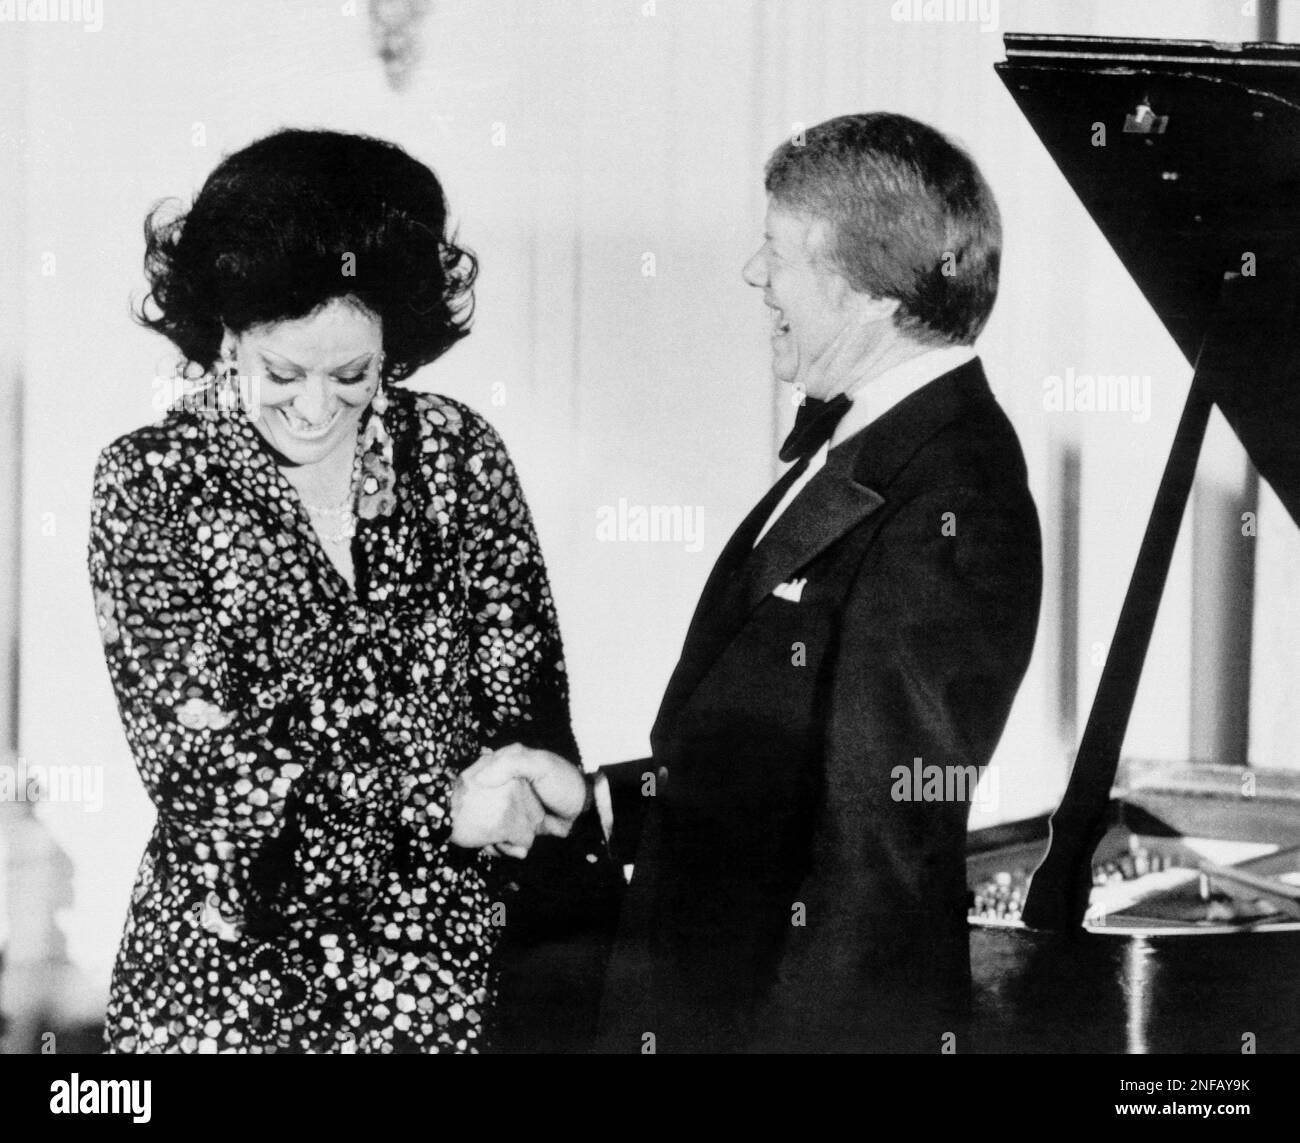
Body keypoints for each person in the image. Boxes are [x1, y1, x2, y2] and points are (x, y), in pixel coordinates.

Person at [474, 112, 1043, 1052]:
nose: (753, 274)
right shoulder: (881, 444)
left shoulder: (956, 490)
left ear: (865, 289)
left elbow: (883, 854)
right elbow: (785, 772)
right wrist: (606, 801)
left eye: (777, 250)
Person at [87, 128, 613, 1054]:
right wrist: (436, 808)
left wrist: (542, 790)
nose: (318, 408)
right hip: (227, 997)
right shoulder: (150, 481)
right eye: (282, 372)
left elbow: (525, 713)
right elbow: (208, 782)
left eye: (354, 374)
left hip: (444, 987)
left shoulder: (457, 453)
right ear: (223, 336)